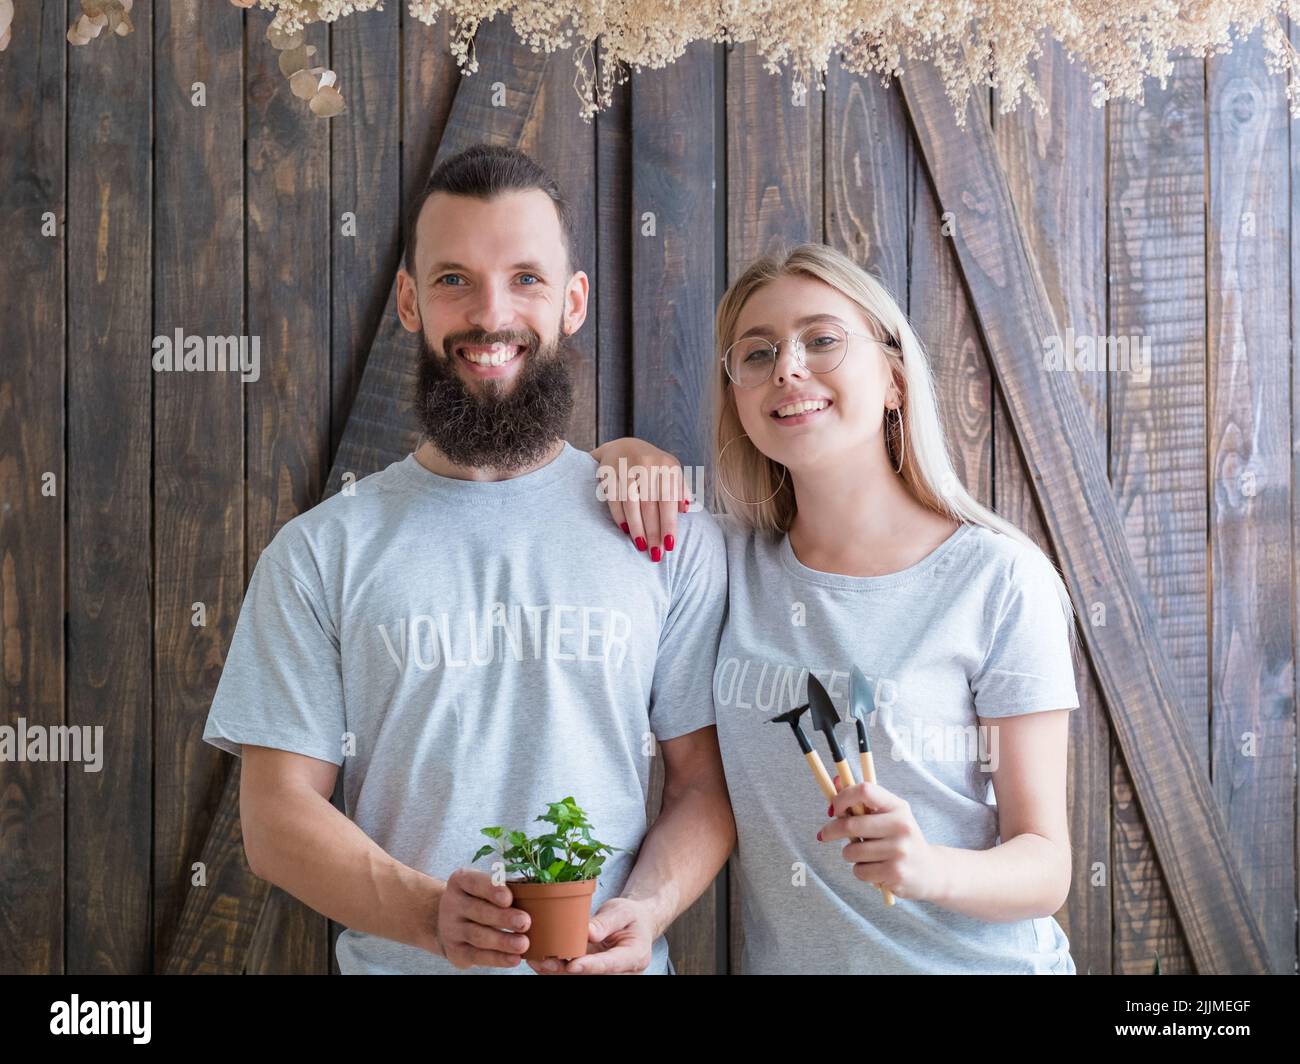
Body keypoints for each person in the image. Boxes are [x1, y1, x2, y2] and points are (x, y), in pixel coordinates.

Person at [202, 144, 734, 975]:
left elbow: (702, 785)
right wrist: (428, 918)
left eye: (526, 278)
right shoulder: (319, 553)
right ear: (411, 301)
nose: (492, 315)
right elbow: (275, 819)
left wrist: (648, 908)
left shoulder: (663, 533)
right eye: (455, 279)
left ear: (573, 302)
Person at [593, 242, 1081, 974]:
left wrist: (927, 868)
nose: (787, 367)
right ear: (738, 401)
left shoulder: (999, 579)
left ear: (893, 379)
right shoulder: (720, 566)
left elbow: (1047, 866)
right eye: (755, 355)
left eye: (821, 340)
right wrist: (620, 453)